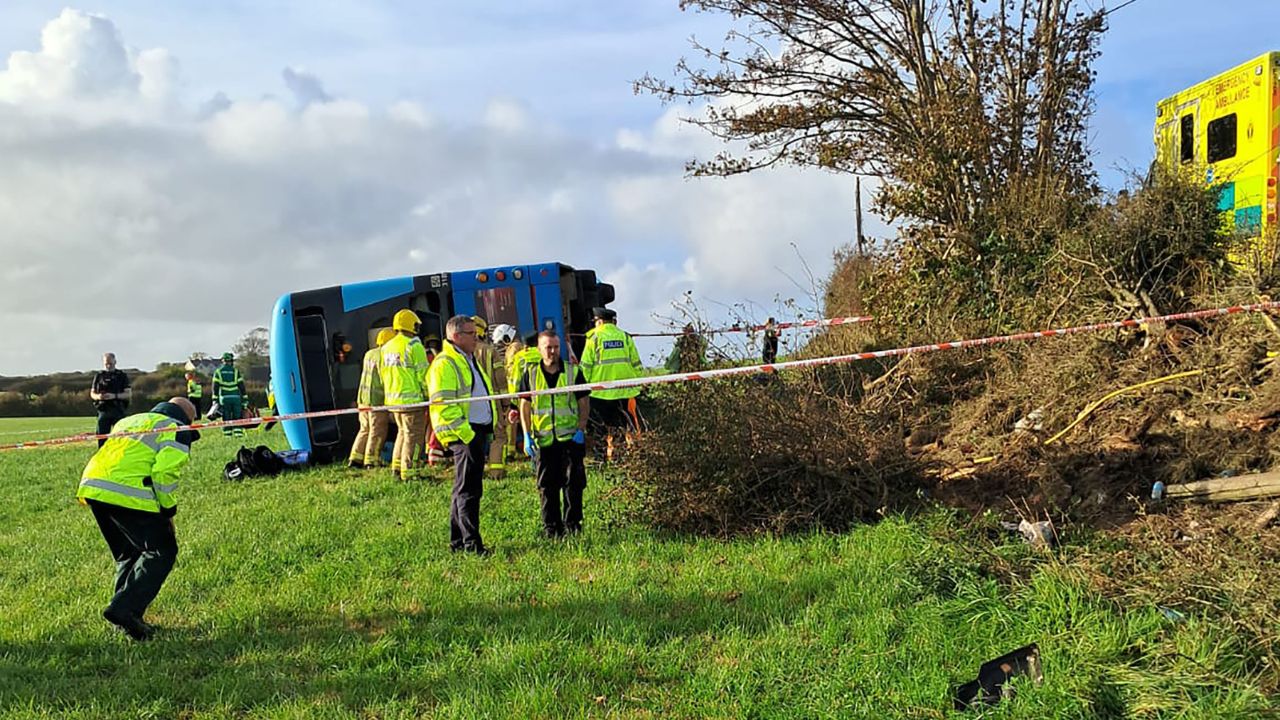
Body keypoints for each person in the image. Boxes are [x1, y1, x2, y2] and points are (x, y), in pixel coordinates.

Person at [78, 397, 199, 641]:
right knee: (162, 551)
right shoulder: (176, 429)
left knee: (129, 554)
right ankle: (124, 610)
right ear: (186, 418)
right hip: (127, 493)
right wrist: (167, 511)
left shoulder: (129, 421)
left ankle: (126, 621)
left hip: (93, 487)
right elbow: (164, 473)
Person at [428, 315, 497, 555]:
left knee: (464, 489)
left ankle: (458, 543)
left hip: (474, 430)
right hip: (464, 433)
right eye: (470, 333)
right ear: (456, 336)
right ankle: (471, 545)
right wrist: (466, 434)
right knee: (468, 491)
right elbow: (444, 404)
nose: (476, 337)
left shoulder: (467, 359)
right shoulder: (445, 363)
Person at [518, 330, 590, 537]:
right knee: (547, 487)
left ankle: (573, 525)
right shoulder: (530, 375)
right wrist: (526, 435)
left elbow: (584, 402)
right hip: (544, 440)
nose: (552, 351)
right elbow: (524, 405)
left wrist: (581, 429)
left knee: (573, 485)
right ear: (539, 349)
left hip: (570, 438)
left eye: (556, 347)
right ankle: (552, 529)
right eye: (548, 347)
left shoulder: (573, 373)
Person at [579, 307, 643, 460]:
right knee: (620, 429)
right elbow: (637, 365)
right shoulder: (625, 337)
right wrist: (637, 384)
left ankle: (600, 460)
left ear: (599, 321)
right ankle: (619, 459)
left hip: (599, 393)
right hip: (624, 393)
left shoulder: (594, 338)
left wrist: (582, 387)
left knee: (599, 430)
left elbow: (586, 366)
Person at [380, 310, 429, 481]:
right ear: (412, 325)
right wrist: (428, 396)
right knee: (413, 437)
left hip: (393, 401)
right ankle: (411, 473)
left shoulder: (386, 348)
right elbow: (423, 375)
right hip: (412, 401)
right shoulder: (414, 346)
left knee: (402, 433)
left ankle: (396, 467)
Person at [349, 328, 396, 468]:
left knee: (364, 429)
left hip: (362, 399)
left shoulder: (369, 354)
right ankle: (372, 460)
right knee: (378, 430)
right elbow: (386, 379)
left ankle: (355, 458)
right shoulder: (386, 355)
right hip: (376, 400)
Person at [90, 353, 132, 447]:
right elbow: (92, 393)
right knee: (101, 438)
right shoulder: (99, 376)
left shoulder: (121, 376)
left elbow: (128, 394)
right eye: (106, 364)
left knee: (122, 438)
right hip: (103, 410)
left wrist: (114, 396)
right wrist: (99, 397)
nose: (108, 366)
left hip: (118, 409)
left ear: (115, 362)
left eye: (110, 363)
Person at [211, 352, 246, 437]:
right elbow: (241, 386)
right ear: (231, 361)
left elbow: (215, 387)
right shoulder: (236, 371)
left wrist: (215, 400)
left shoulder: (218, 372)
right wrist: (245, 399)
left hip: (224, 398)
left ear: (223, 361)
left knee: (226, 416)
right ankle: (238, 435)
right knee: (237, 416)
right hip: (236, 397)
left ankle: (228, 436)